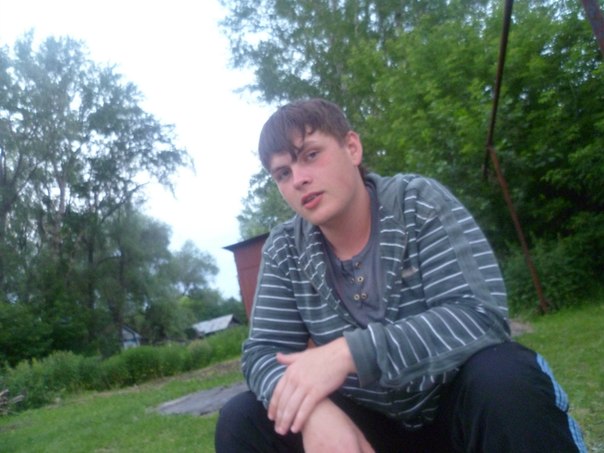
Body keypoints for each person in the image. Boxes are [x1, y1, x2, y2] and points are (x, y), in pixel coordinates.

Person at [215, 98, 586, 452]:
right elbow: (263, 354)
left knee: (505, 375)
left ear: (352, 148)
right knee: (243, 419)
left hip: (455, 408)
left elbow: (479, 316)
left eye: (311, 155)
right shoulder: (285, 249)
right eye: (283, 173)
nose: (298, 179)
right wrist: (313, 412)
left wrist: (351, 353)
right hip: (367, 428)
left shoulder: (418, 203)